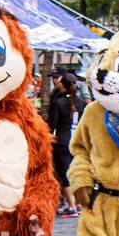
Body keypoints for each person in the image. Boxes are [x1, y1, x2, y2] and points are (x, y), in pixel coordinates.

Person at [48, 72, 83, 217]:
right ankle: (78, 203)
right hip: (76, 140)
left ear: (62, 85)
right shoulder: (80, 101)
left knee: (64, 173)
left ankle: (71, 205)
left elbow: (52, 124)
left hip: (62, 140)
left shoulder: (59, 102)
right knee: (74, 172)